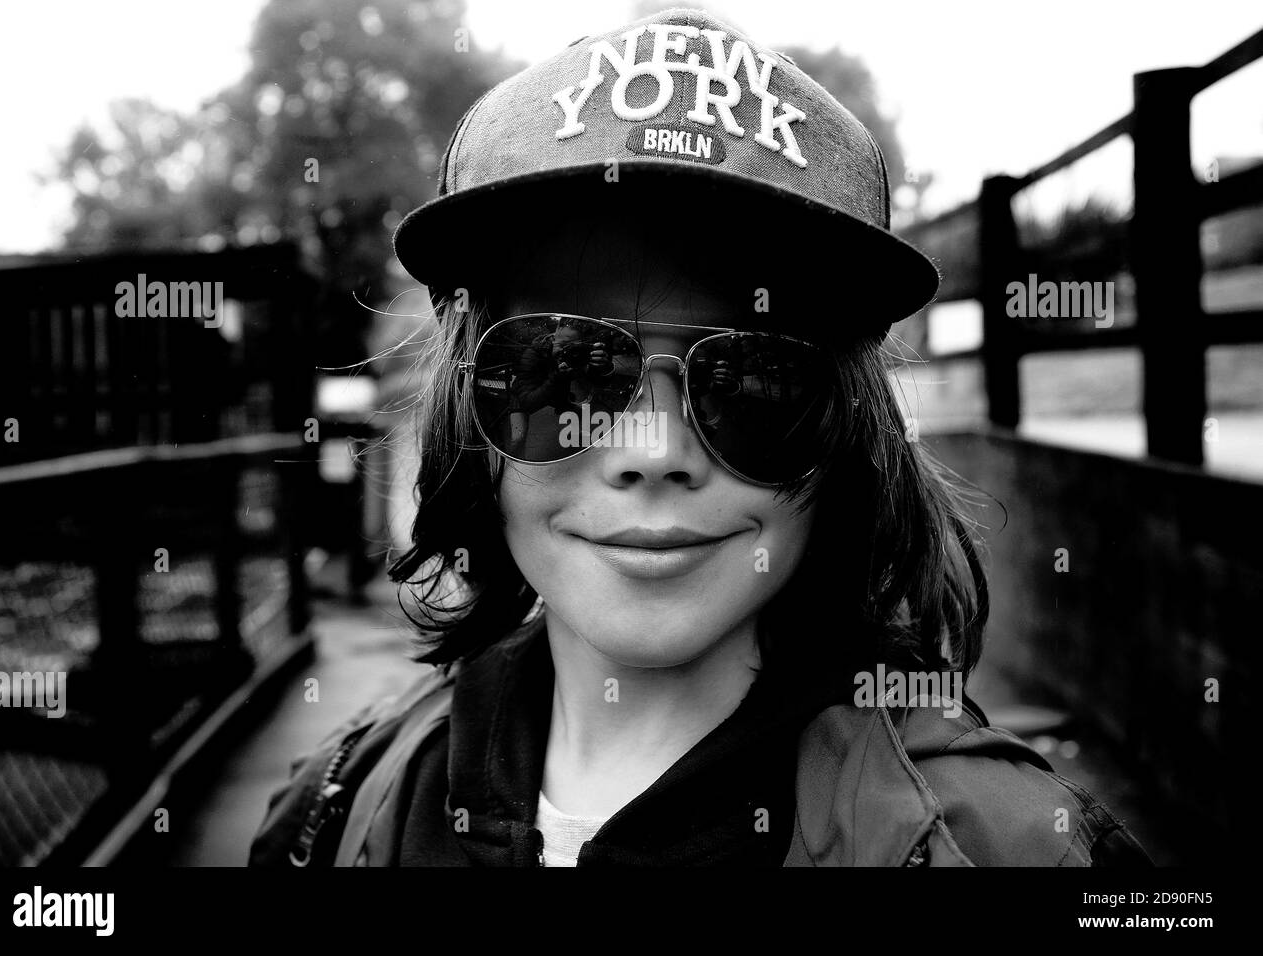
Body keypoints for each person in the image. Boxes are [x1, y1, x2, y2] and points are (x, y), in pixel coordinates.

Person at [249, 6, 1150, 867]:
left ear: (846, 433)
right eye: (564, 368)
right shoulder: (338, 812)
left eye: (754, 383)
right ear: (468, 409)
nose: (654, 450)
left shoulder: (1012, 850)